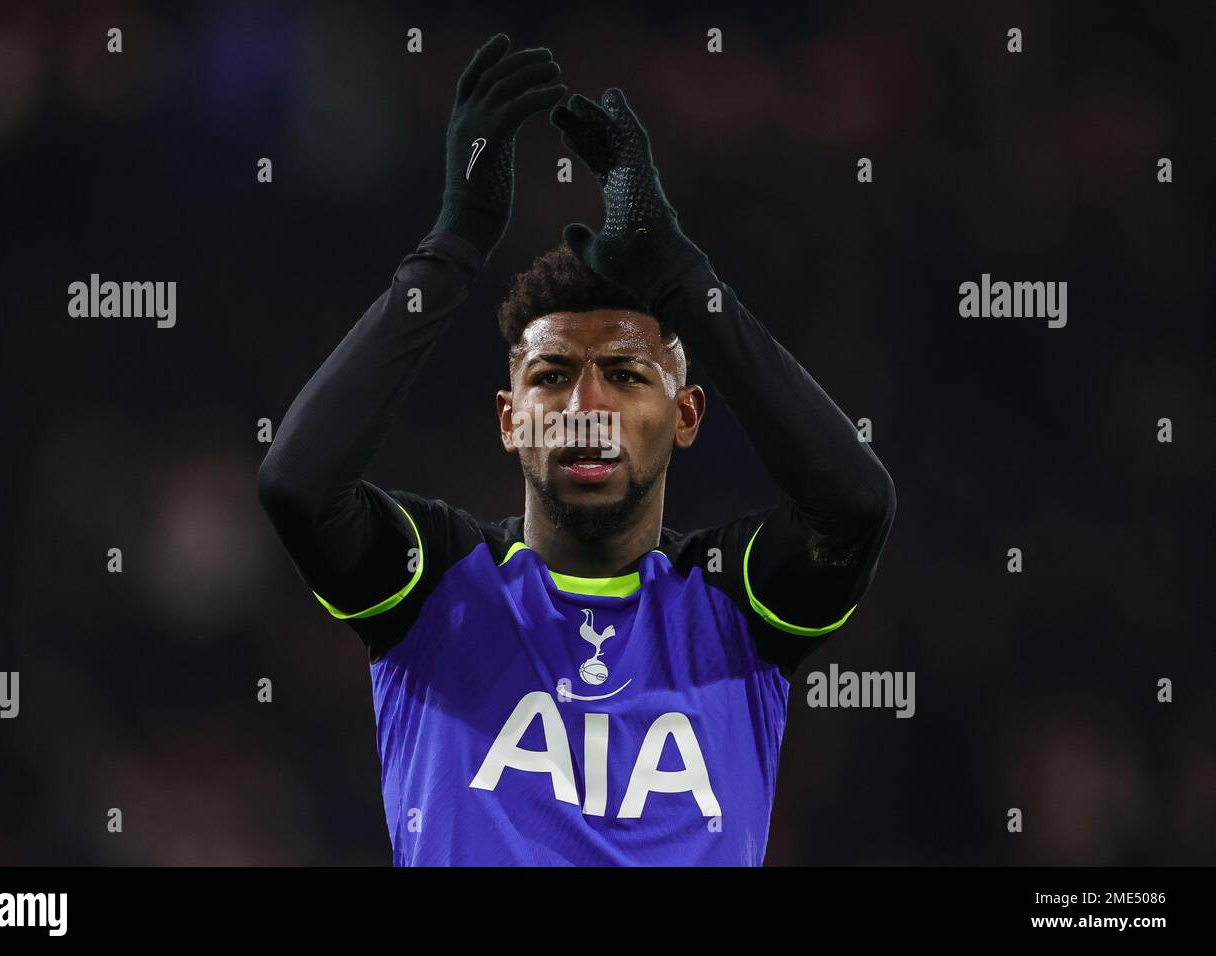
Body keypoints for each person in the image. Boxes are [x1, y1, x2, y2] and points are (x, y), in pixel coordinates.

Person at [258, 34, 896, 865]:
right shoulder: (437, 588)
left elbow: (856, 507)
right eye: (553, 376)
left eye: (627, 376)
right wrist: (453, 245)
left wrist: (678, 272)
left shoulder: (730, 603)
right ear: (509, 418)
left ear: (687, 415)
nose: (587, 406)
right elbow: (298, 485)